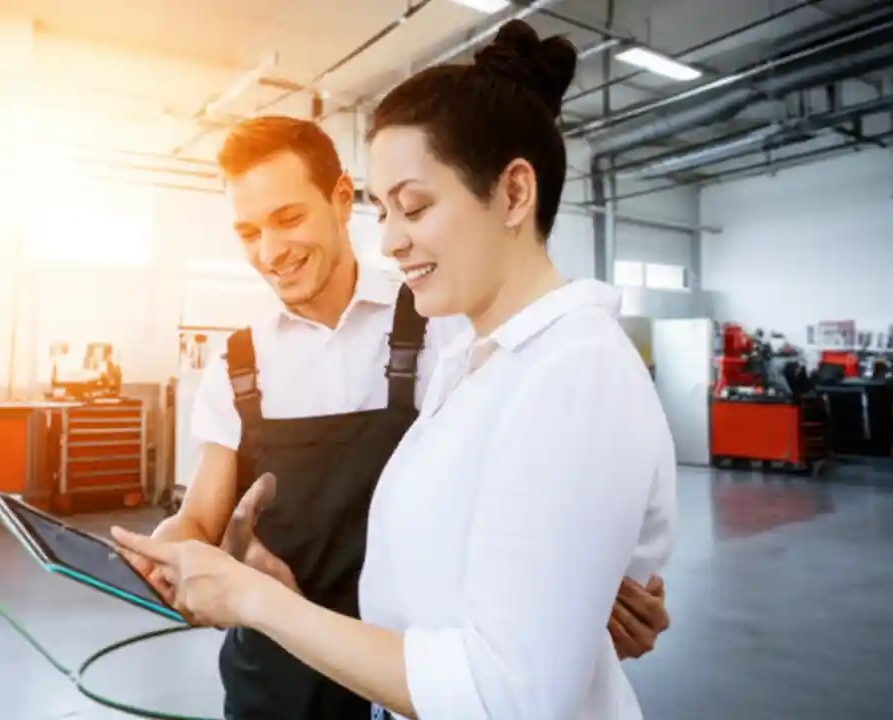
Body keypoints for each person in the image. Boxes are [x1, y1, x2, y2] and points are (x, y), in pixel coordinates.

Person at [123, 26, 672, 717]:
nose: (270, 250)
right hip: (320, 673)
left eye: (412, 208)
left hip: (399, 678)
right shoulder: (473, 359)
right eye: (247, 232)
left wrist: (586, 585)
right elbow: (468, 546)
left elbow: (509, 681)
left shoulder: (466, 337)